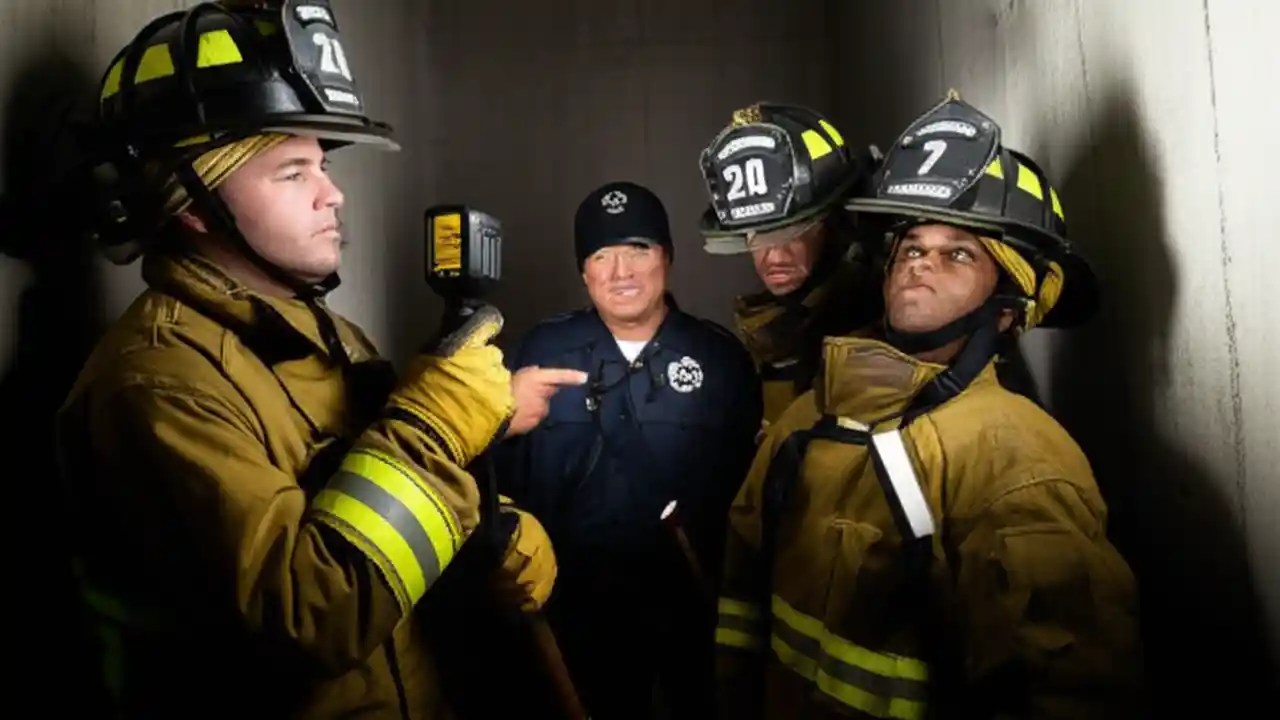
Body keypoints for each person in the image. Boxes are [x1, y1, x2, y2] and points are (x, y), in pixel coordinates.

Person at [55, 2, 560, 717]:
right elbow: (312, 615)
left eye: (322, 164)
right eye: (293, 172)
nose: (335, 193)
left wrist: (486, 527)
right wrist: (437, 428)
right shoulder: (156, 386)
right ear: (193, 204)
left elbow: (370, 509)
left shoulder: (335, 337)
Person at [713, 92, 1144, 719]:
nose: (922, 265)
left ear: (1009, 300)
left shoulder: (1019, 466)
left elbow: (1067, 686)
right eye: (911, 248)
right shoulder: (808, 419)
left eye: (959, 253)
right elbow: (743, 607)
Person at [497, 180, 762, 719]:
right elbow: (500, 484)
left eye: (638, 249)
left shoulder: (720, 358)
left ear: (666, 256)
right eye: (602, 254)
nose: (621, 272)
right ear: (583, 270)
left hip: (692, 616)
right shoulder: (540, 353)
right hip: (571, 616)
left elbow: (752, 499)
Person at [696, 102, 884, 426]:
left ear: (831, 224)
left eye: (790, 232)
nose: (774, 255)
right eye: (756, 235)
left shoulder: (873, 329)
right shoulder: (773, 331)